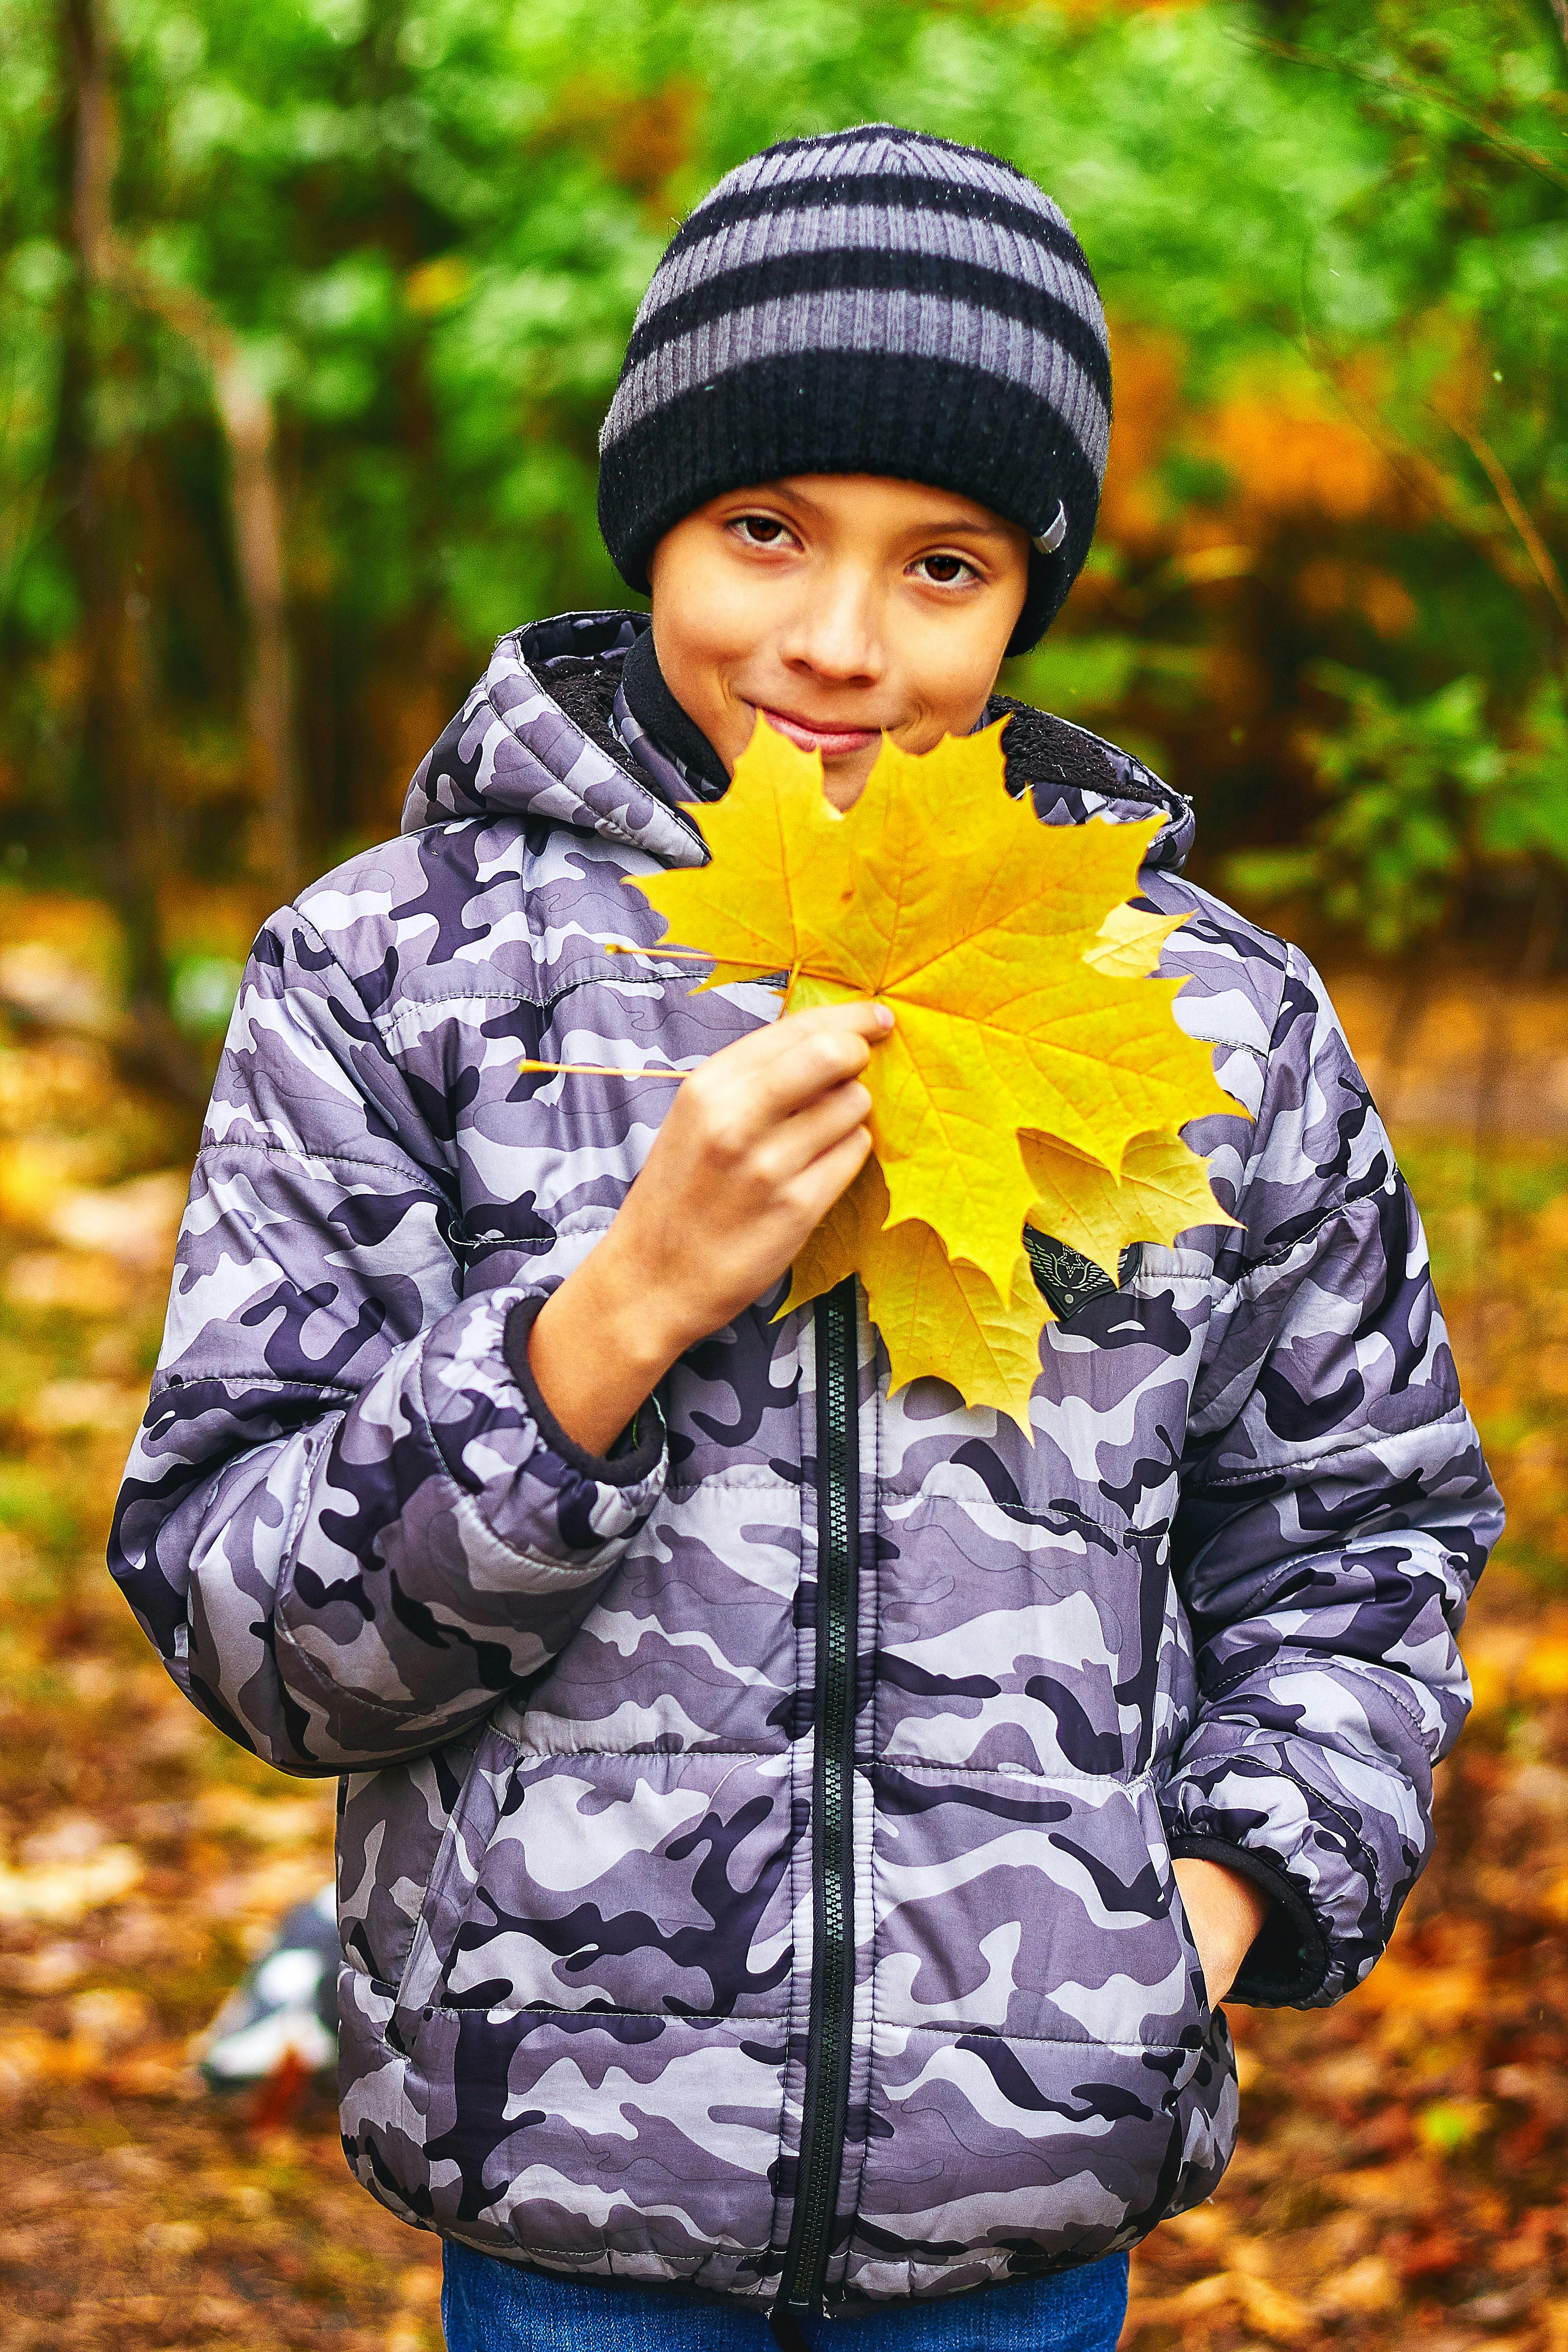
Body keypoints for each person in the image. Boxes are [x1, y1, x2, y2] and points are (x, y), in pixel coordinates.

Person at [109, 126, 1501, 2352]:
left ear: (1025, 597)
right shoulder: (388, 978)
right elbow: (254, 1626)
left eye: (945, 567)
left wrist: (1209, 1908)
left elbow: (1363, 1531)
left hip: (1029, 2195)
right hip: (564, 2192)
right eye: (769, 531)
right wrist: (624, 1302)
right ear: (654, 510)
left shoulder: (1205, 1016)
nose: (841, 643)